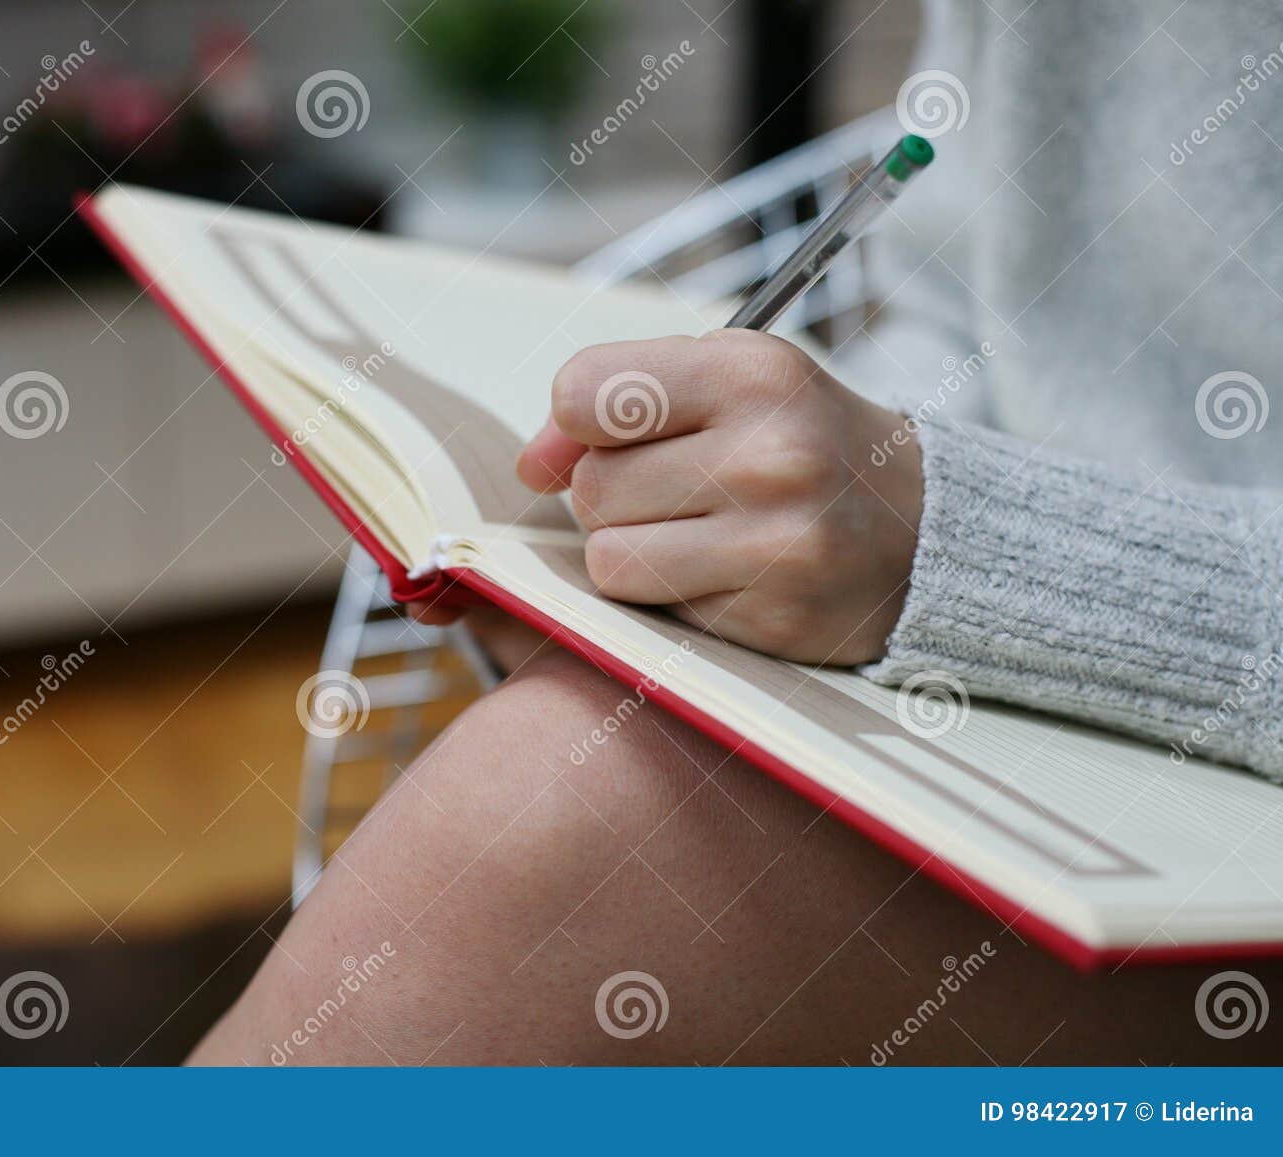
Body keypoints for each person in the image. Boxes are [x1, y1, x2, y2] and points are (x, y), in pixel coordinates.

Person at [189, 1, 1283, 1064]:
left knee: (538, 817)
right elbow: (956, 315)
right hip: (1021, 712)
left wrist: (951, 540)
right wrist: (761, 507)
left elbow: (947, 488)